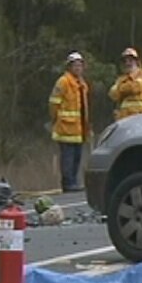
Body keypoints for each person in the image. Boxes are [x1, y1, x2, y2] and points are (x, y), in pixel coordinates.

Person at [48, 52, 90, 192]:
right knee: (68, 158)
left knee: (77, 157)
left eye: (80, 65)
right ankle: (68, 183)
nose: (78, 68)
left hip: (79, 129)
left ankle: (74, 181)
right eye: (75, 65)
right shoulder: (63, 82)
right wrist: (55, 120)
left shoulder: (82, 84)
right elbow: (54, 103)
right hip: (66, 128)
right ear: (69, 67)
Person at [109, 47, 142, 121]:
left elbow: (135, 88)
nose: (127, 63)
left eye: (130, 60)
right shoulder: (122, 78)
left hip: (140, 117)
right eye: (125, 61)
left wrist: (121, 87)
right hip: (124, 117)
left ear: (136, 61)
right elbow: (112, 94)